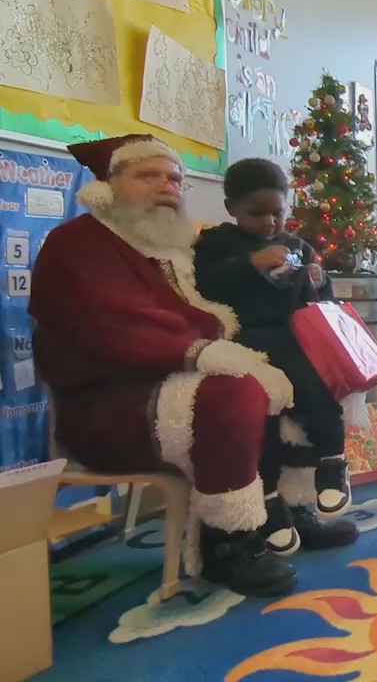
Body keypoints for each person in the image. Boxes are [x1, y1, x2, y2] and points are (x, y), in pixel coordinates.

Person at [31, 135, 344, 598]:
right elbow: (114, 325)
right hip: (113, 404)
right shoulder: (78, 243)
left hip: (178, 376)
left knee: (297, 373)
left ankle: (291, 508)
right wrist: (208, 353)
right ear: (108, 184)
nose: (166, 187)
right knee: (236, 390)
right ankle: (230, 542)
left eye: (174, 178)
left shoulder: (176, 248)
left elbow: (218, 308)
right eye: (147, 176)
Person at [194, 158, 360, 556]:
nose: (270, 222)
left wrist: (319, 282)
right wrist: (251, 264)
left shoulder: (297, 246)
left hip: (296, 341)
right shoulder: (219, 244)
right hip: (248, 346)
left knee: (319, 390)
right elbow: (206, 284)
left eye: (278, 212)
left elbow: (319, 303)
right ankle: (269, 504)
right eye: (257, 213)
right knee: (263, 417)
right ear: (232, 207)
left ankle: (332, 467)